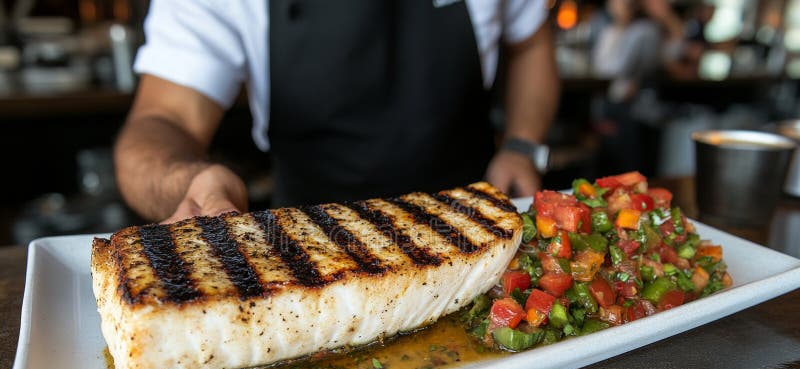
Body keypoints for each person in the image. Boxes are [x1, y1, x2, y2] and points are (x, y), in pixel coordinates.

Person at [115, 0, 559, 223]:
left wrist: (522, 144)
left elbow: (531, 43)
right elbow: (163, 118)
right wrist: (188, 184)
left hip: (475, 221)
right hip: (310, 249)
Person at [591, 0, 661, 174]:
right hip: (609, 102)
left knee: (626, 161)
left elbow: (619, 67)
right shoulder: (609, 30)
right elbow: (599, 66)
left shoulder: (645, 31)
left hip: (632, 108)